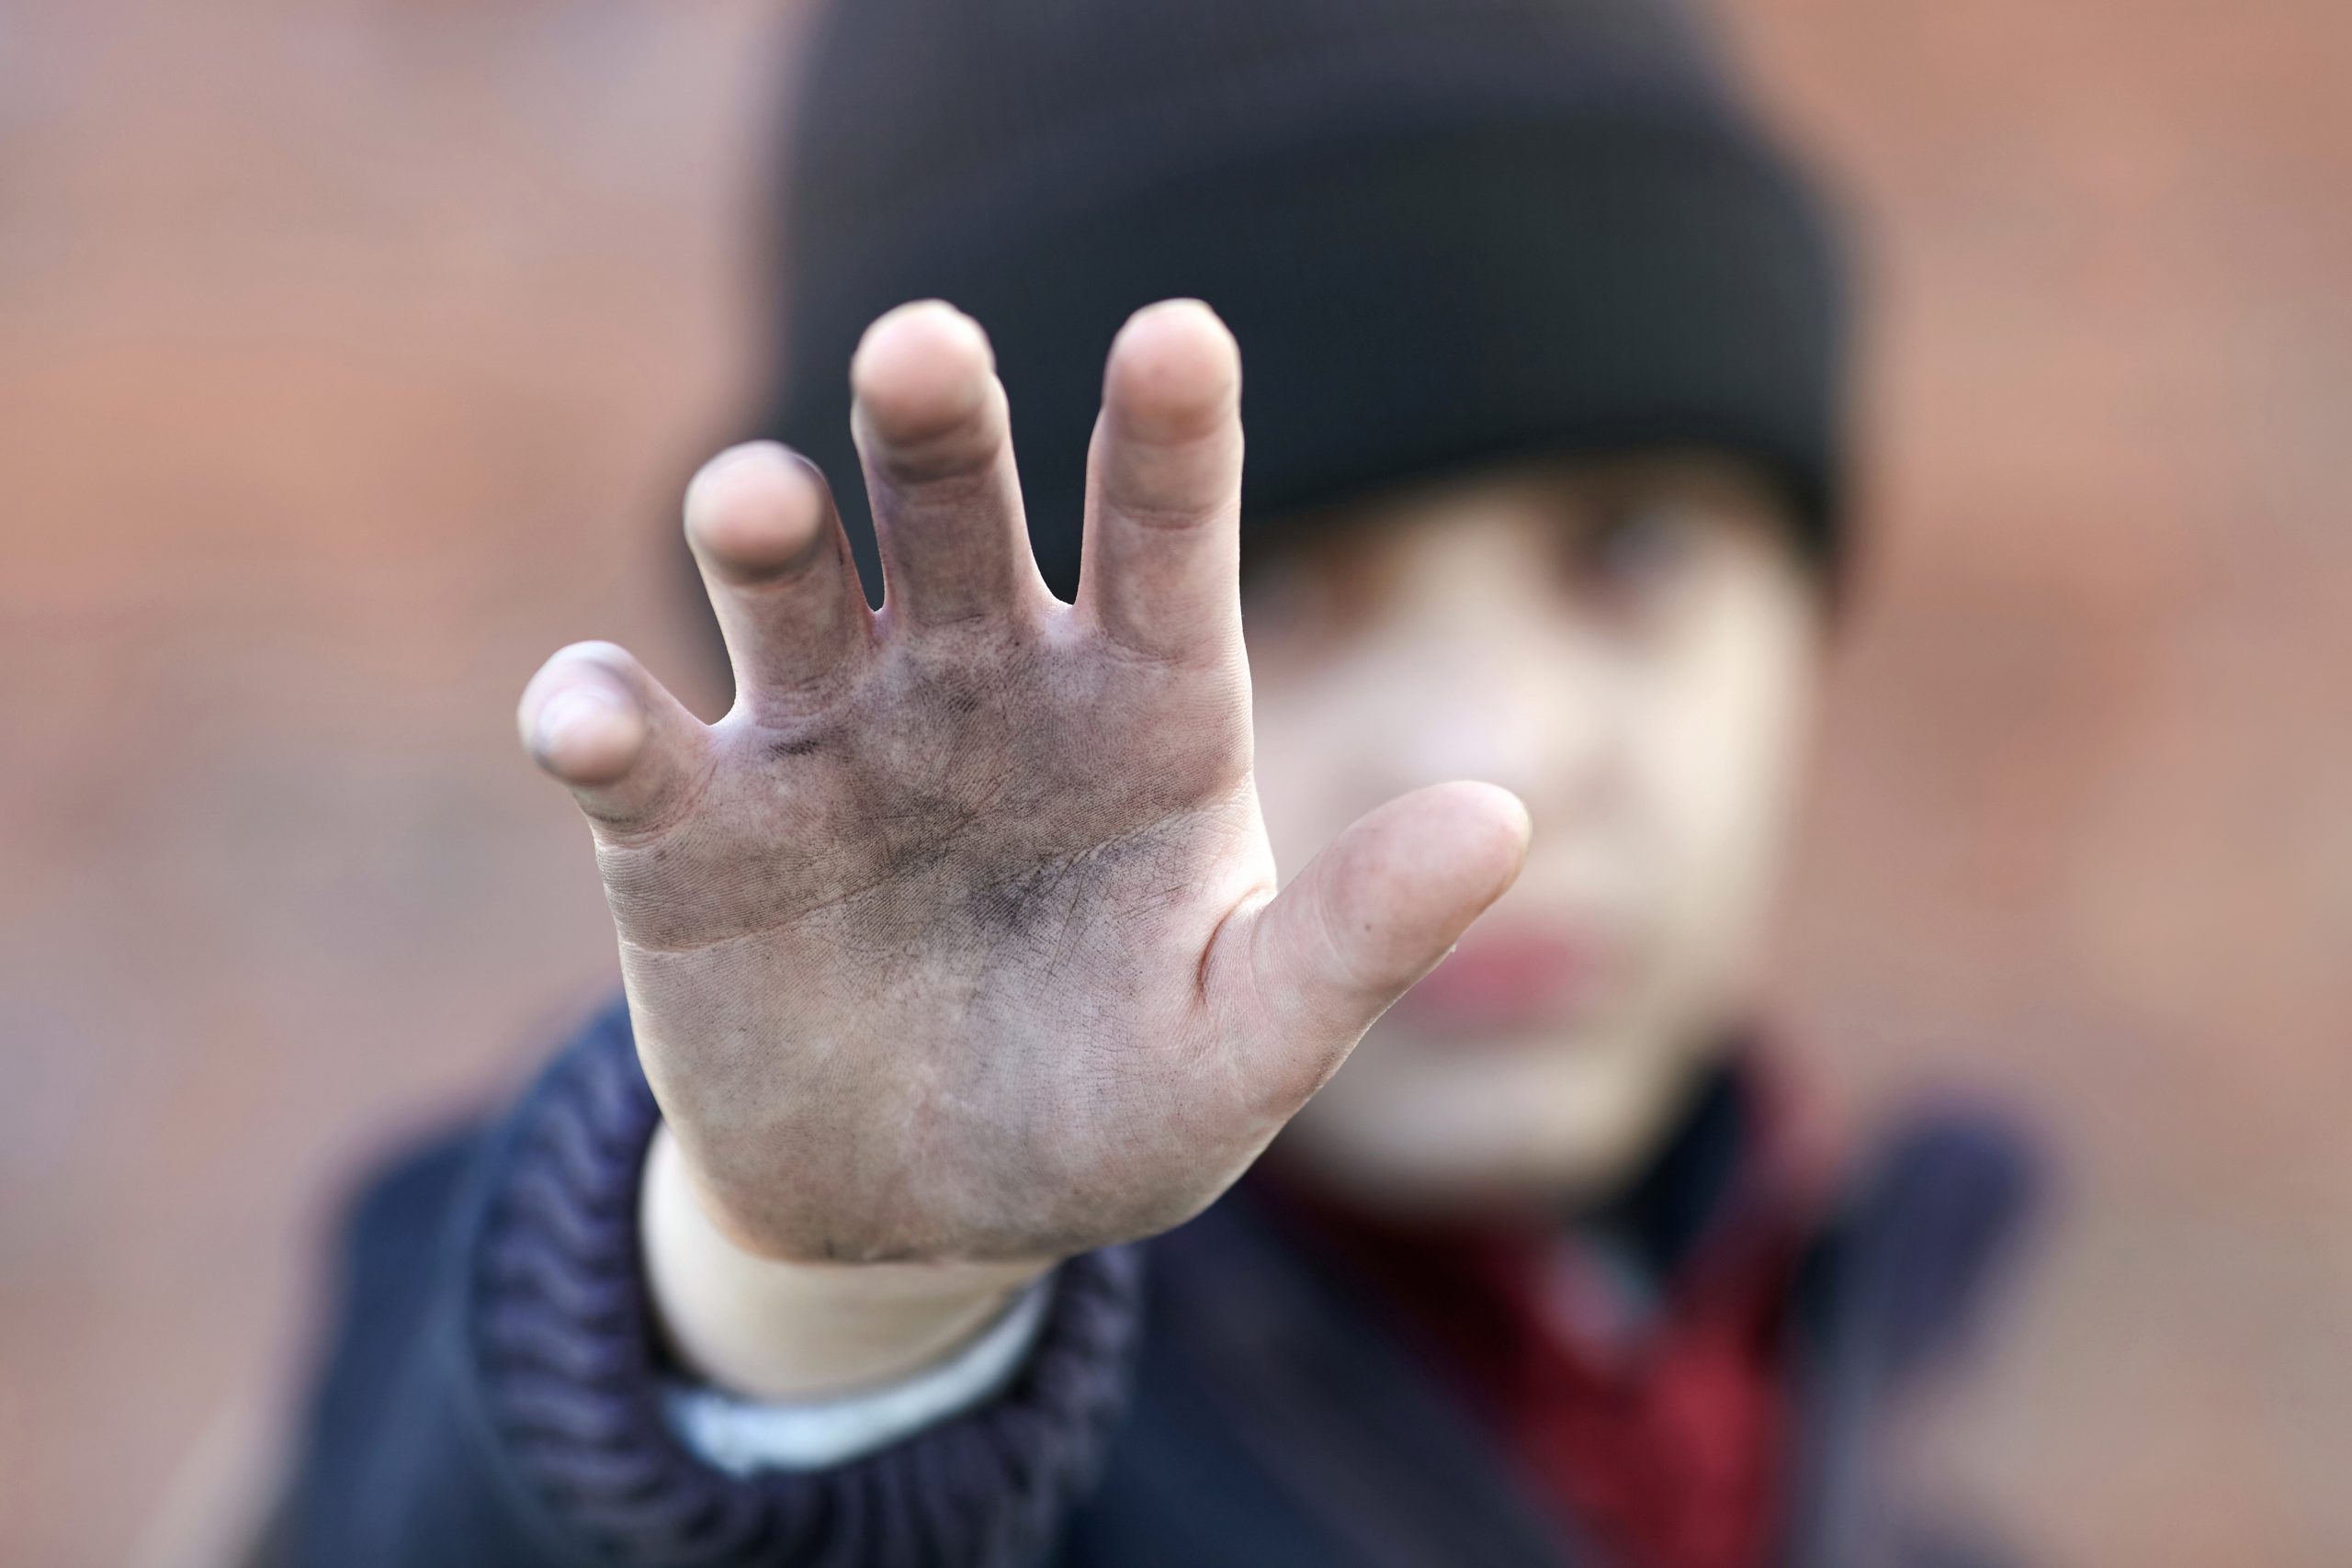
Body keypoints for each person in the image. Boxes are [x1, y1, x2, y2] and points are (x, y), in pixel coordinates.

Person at [270, 0, 2039, 1564]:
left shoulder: (1866, 1479)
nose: (1493, 754)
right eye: (1271, 586)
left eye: (1631, 551)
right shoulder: (704, 1349)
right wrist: (812, 1299)